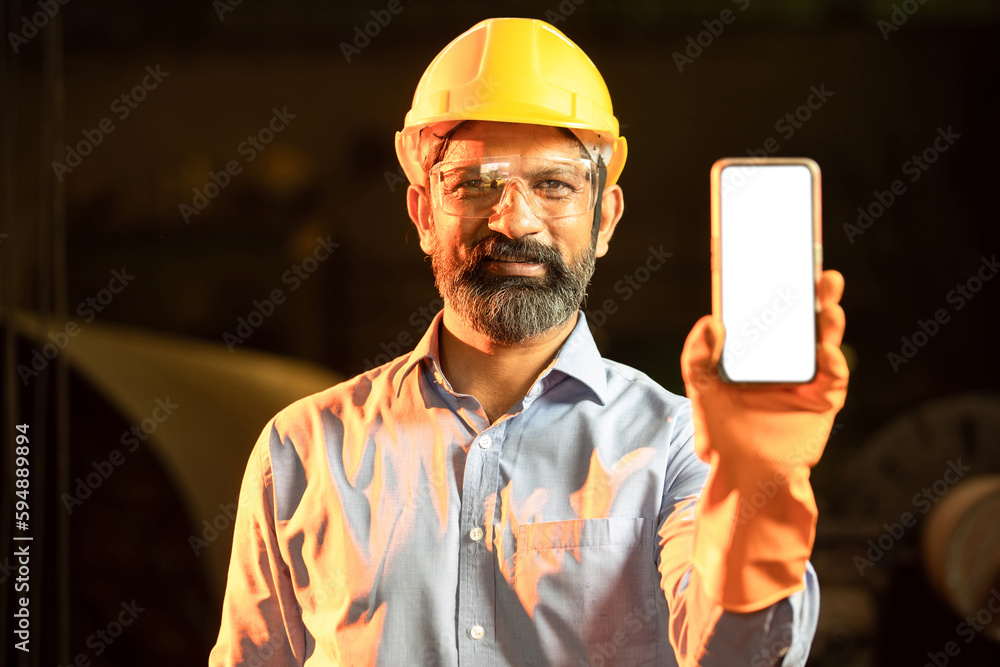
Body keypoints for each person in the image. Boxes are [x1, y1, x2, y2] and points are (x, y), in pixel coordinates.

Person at [210, 17, 848, 666]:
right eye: (474, 183)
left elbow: (736, 655)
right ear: (425, 215)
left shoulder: (679, 445)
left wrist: (759, 482)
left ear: (605, 219)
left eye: (553, 184)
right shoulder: (302, 451)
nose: (512, 217)